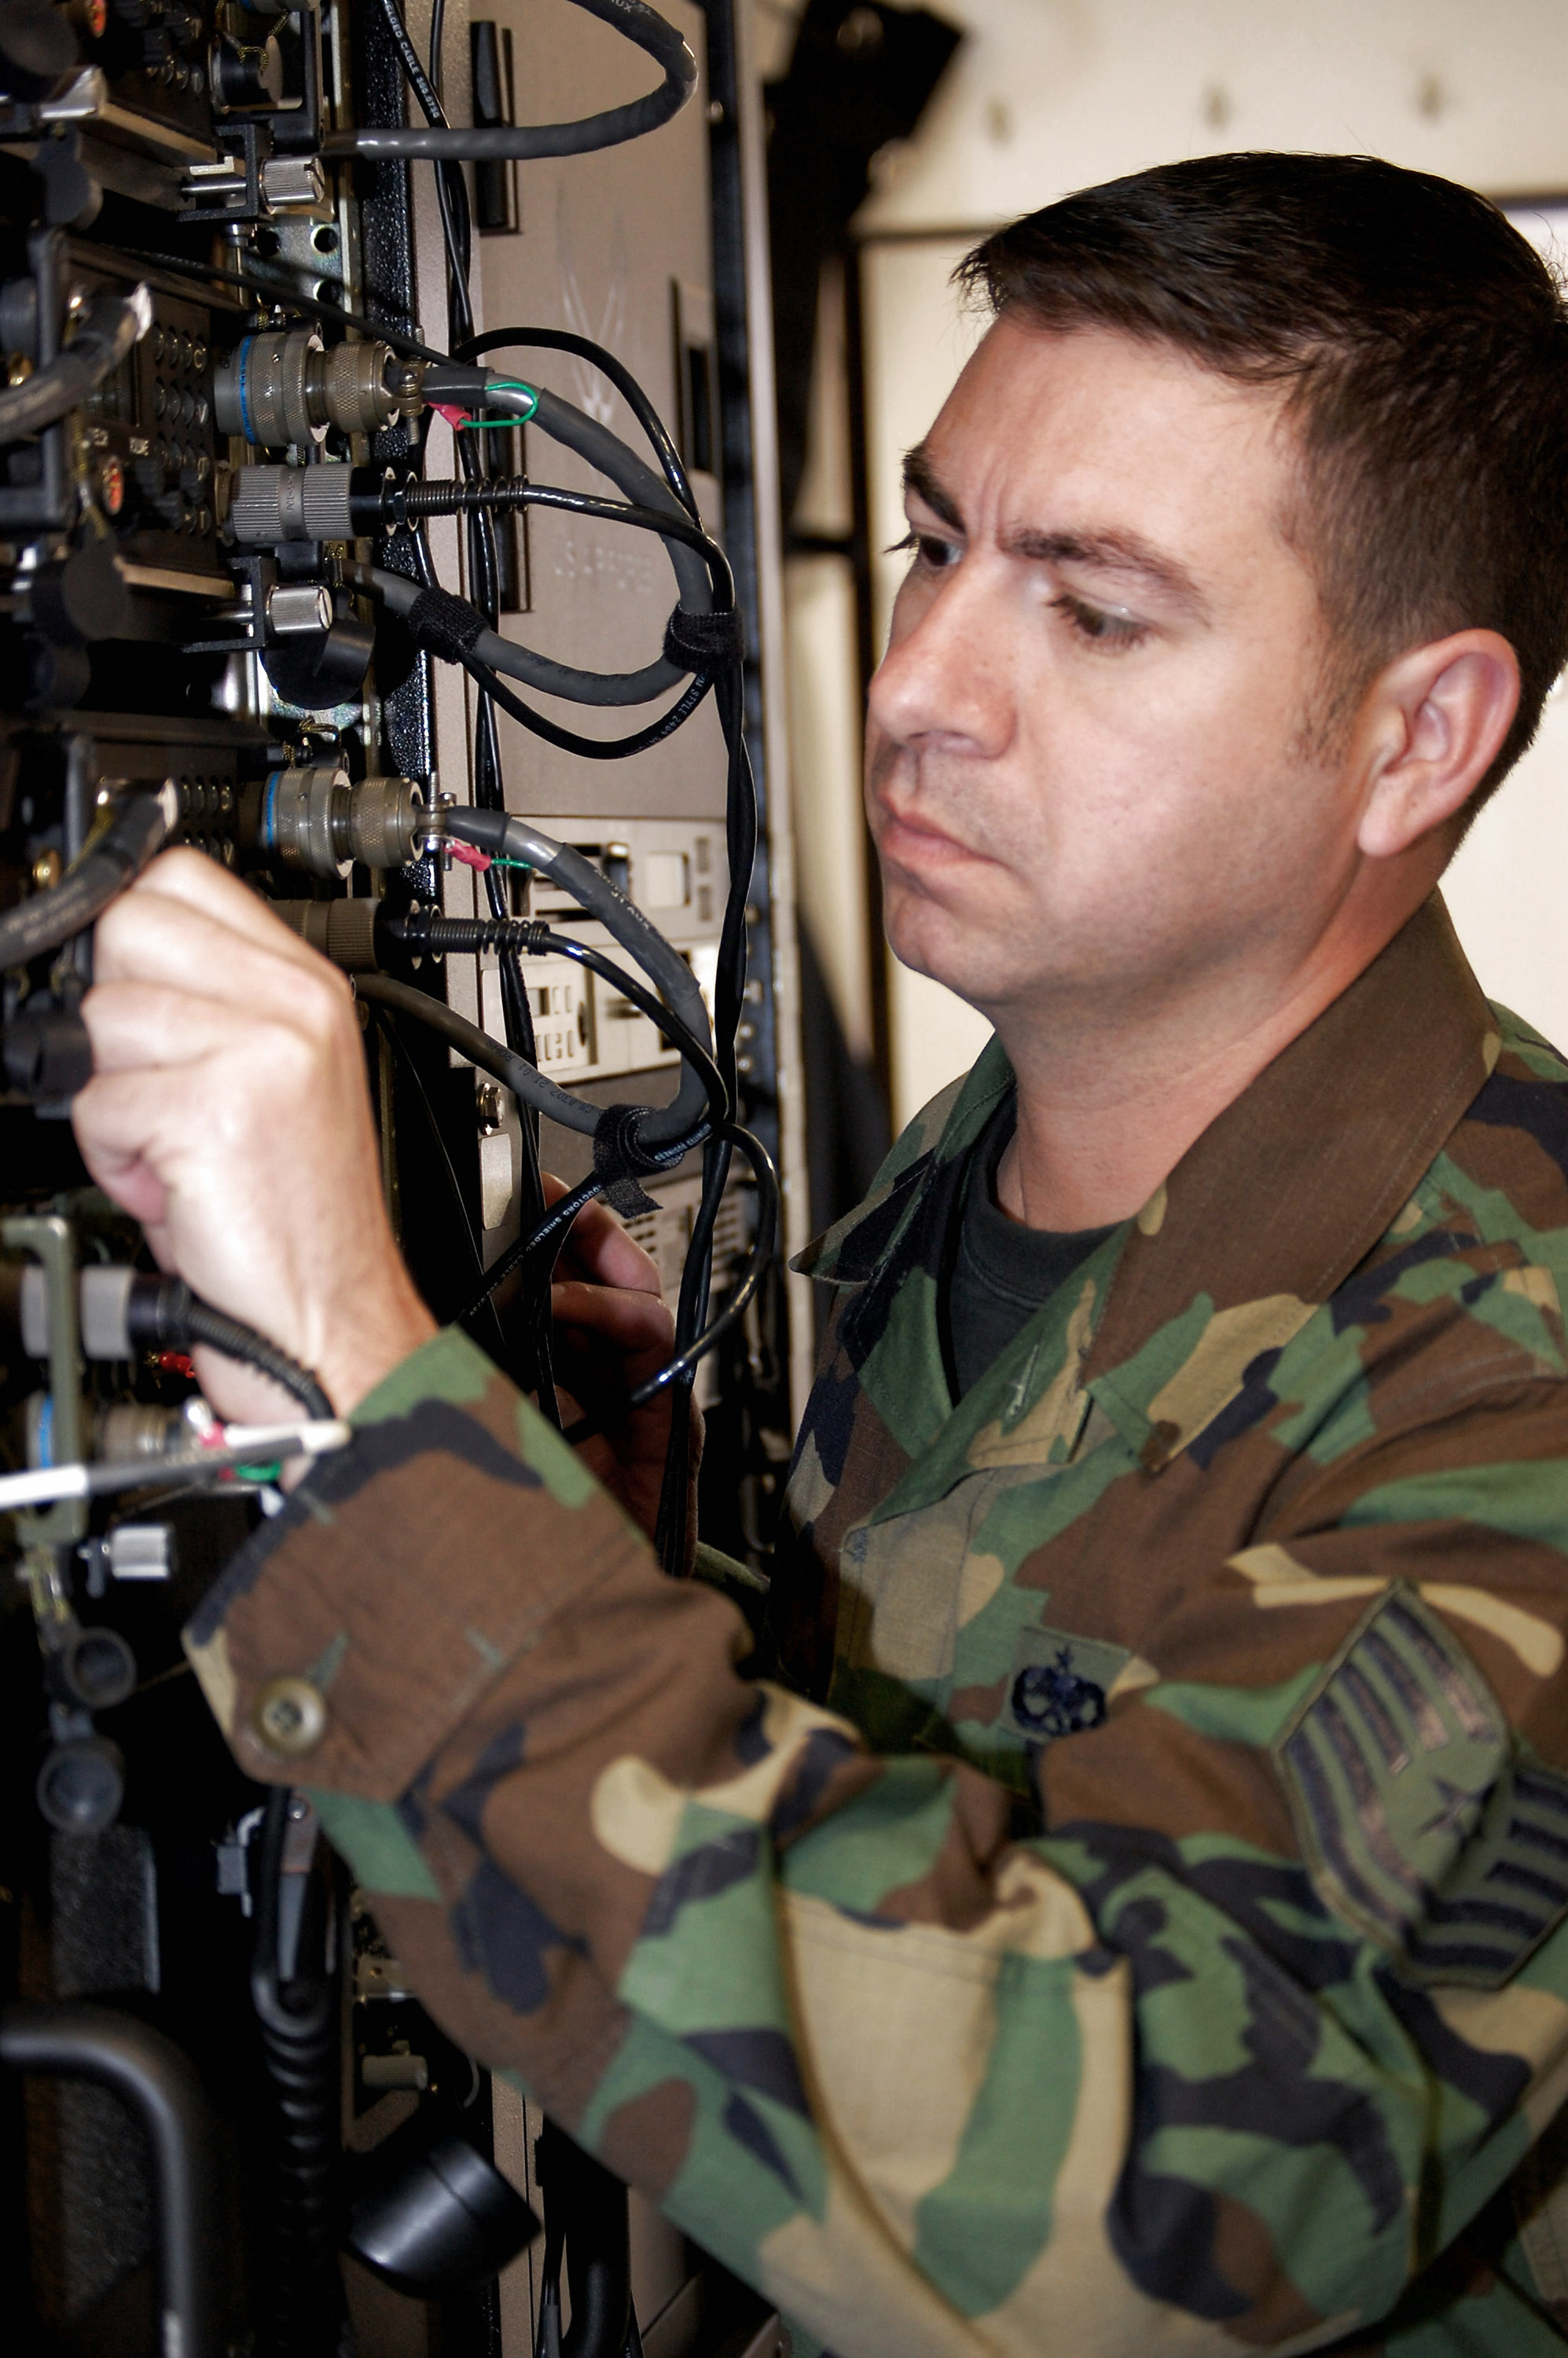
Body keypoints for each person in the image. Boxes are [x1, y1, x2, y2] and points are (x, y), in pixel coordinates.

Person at [70, 152, 1568, 2356]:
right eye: (939, 546)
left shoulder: (1506, 1367)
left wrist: (366, 1400)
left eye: (1094, 608)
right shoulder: (923, 1226)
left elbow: (1132, 2212)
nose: (918, 684)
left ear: (1413, 735)